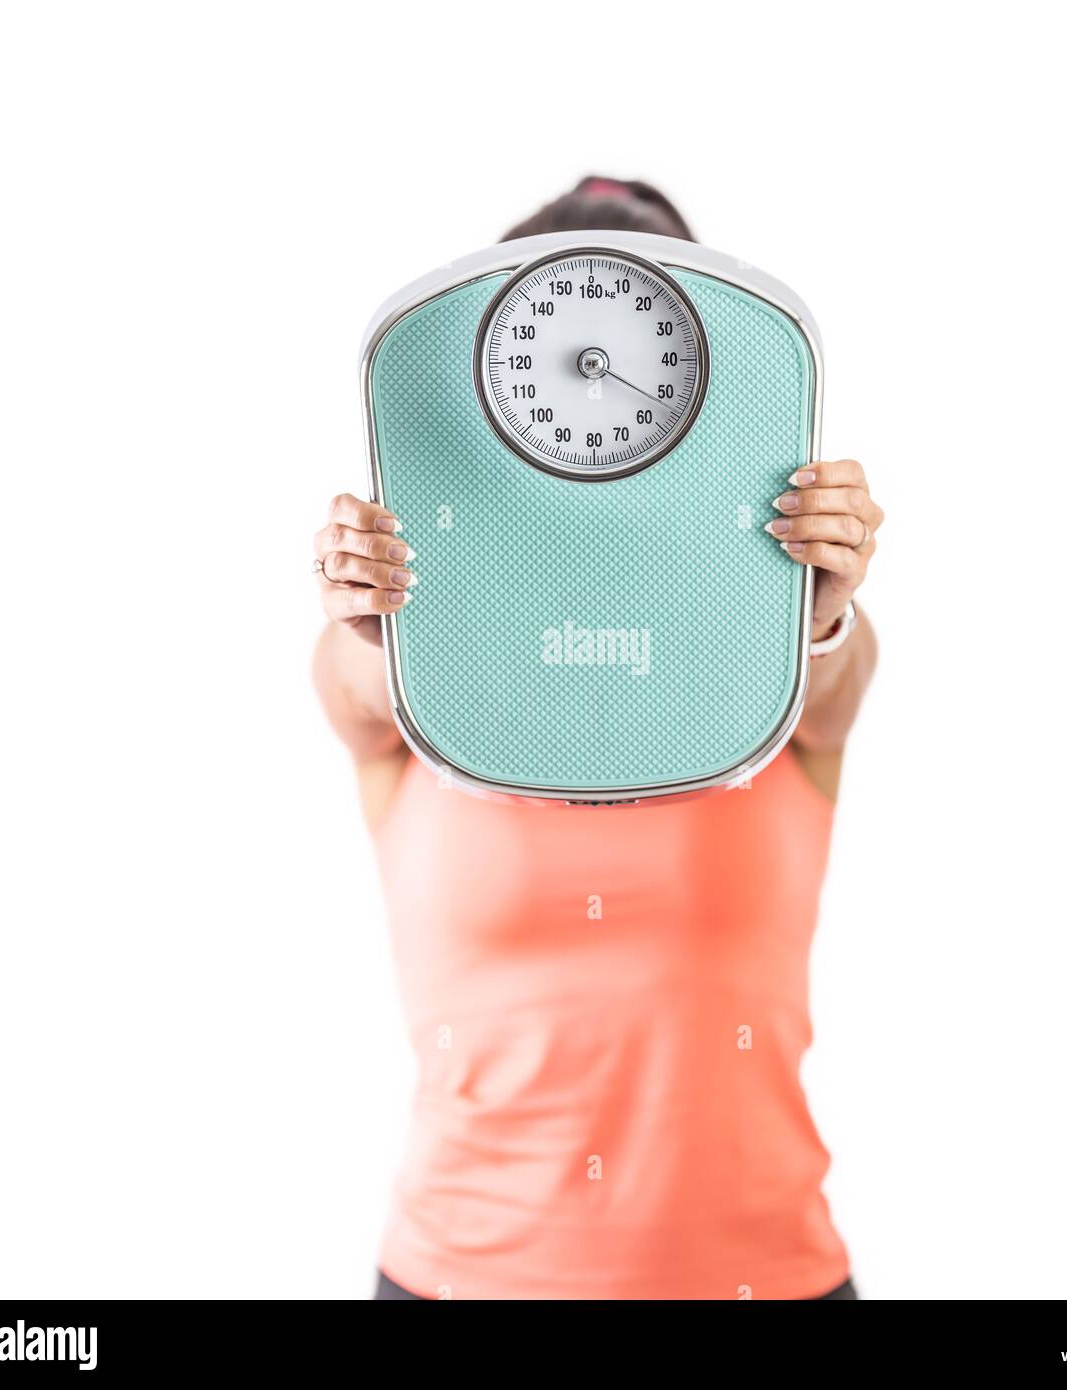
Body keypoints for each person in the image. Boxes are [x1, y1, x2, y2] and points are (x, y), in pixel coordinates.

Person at [313, 176, 885, 1300]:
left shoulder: (774, 682)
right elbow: (358, 687)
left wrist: (817, 605)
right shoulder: (416, 682)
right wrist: (372, 616)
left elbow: (835, 678)